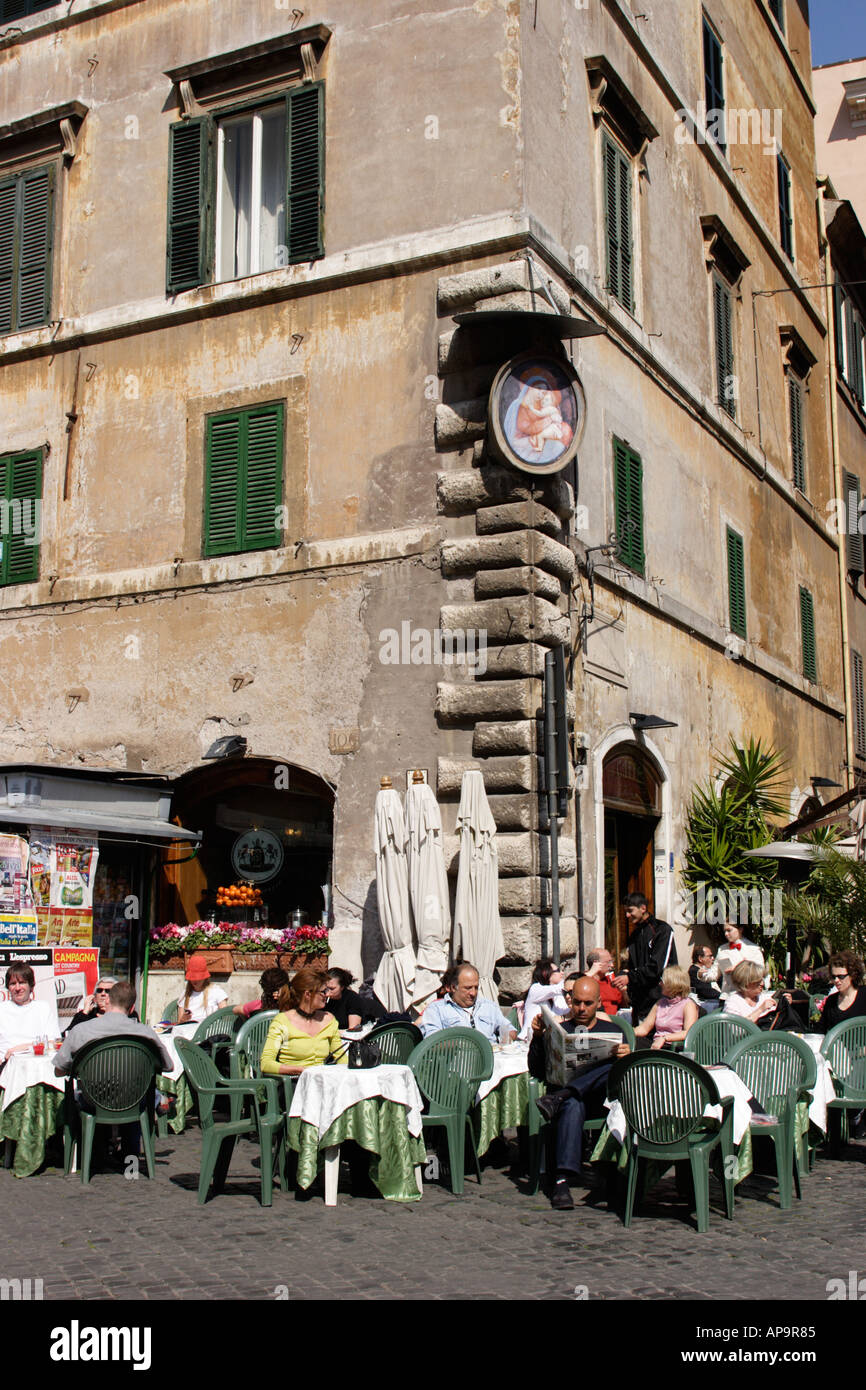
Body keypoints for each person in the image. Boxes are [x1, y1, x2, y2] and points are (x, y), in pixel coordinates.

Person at [529, 977, 631, 1210]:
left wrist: (626, 1057)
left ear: (598, 1003)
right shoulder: (560, 1030)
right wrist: (537, 1039)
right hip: (569, 1104)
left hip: (600, 1100)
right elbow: (536, 1070)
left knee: (609, 1067)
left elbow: (623, 1078)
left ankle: (561, 1096)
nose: (582, 1009)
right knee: (573, 1104)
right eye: (576, 1003)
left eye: (587, 1003)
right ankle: (562, 1181)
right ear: (570, 1002)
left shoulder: (612, 1031)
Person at [53, 981, 172, 1076]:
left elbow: (59, 1071)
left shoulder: (81, 1031)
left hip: (92, 1101)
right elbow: (168, 1066)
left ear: (108, 1000)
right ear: (132, 1009)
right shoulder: (147, 1034)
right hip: (135, 1100)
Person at [260, 967, 345, 1076]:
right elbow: (266, 1064)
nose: (327, 995)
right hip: (293, 1083)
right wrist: (301, 1070)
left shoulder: (329, 1020)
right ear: (308, 994)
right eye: (323, 991)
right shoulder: (283, 1021)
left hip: (322, 1081)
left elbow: (341, 1058)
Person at [612, 893, 676, 1025]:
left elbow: (657, 967)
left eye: (630, 911)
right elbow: (633, 966)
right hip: (639, 1004)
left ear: (643, 908)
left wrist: (630, 977)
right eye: (626, 912)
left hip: (661, 1001)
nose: (627, 916)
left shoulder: (662, 930)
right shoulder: (635, 935)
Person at [419, 962, 517, 1042]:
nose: (473, 993)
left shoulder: (489, 1006)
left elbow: (510, 1030)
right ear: (453, 987)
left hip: (492, 1058)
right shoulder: (436, 1009)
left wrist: (499, 1041)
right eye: (468, 988)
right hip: (457, 1061)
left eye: (476, 987)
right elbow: (432, 1041)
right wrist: (466, 1044)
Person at [0, 961, 62, 1060]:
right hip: (7, 1068)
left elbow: (53, 1043)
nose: (17, 988)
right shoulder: (2, 1010)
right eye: (13, 983)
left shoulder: (43, 1008)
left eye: (22, 982)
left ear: (31, 986)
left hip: (38, 1066)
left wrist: (18, 1049)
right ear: (8, 987)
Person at [633, 966, 699, 1049]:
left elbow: (688, 1032)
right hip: (656, 1044)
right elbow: (644, 1028)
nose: (660, 983)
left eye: (662, 981)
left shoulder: (688, 1004)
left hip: (674, 1046)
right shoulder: (660, 1003)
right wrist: (628, 1031)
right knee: (631, 1042)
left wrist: (664, 1038)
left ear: (672, 984)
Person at [65, 975, 139, 1031]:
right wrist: (84, 1013)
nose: (103, 994)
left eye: (108, 991)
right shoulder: (86, 1015)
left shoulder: (126, 1013)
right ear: (95, 996)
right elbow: (68, 1034)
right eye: (99, 990)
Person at [518, 959, 569, 1040]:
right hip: (528, 1040)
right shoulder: (535, 989)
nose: (562, 973)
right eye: (558, 970)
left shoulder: (557, 995)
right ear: (546, 973)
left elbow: (564, 1013)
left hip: (547, 1041)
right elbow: (561, 987)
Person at [322, 968, 387, 1031]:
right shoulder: (326, 999)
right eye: (326, 988)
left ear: (342, 987)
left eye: (332, 989)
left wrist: (330, 1032)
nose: (327, 993)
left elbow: (353, 1030)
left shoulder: (352, 999)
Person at [723, 960, 785, 1025]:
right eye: (758, 981)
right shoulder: (733, 1002)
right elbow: (736, 1030)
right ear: (746, 983)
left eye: (762, 979)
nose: (762, 984)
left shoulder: (765, 998)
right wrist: (760, 1010)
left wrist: (784, 1002)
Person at [819, 951, 866, 1033]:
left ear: (853, 974)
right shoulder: (831, 1001)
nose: (836, 980)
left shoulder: (864, 995)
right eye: (833, 977)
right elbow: (820, 1030)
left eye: (841, 976)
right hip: (837, 1045)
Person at [177, 954, 228, 1024]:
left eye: (198, 978)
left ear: (204, 978)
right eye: (193, 978)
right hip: (188, 1030)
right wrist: (183, 1019)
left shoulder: (216, 992)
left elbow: (225, 1015)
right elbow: (179, 1022)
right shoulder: (185, 994)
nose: (195, 981)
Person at [583, 948, 626, 1015]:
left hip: (615, 1020)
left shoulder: (611, 980)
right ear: (596, 963)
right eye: (608, 962)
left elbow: (624, 1006)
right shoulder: (585, 979)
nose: (612, 965)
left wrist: (623, 992)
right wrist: (591, 973)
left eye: (611, 962)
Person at [689, 944, 722, 1012]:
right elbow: (706, 991)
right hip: (706, 1005)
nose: (712, 958)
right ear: (700, 958)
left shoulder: (711, 970)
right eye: (709, 956)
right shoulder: (694, 971)